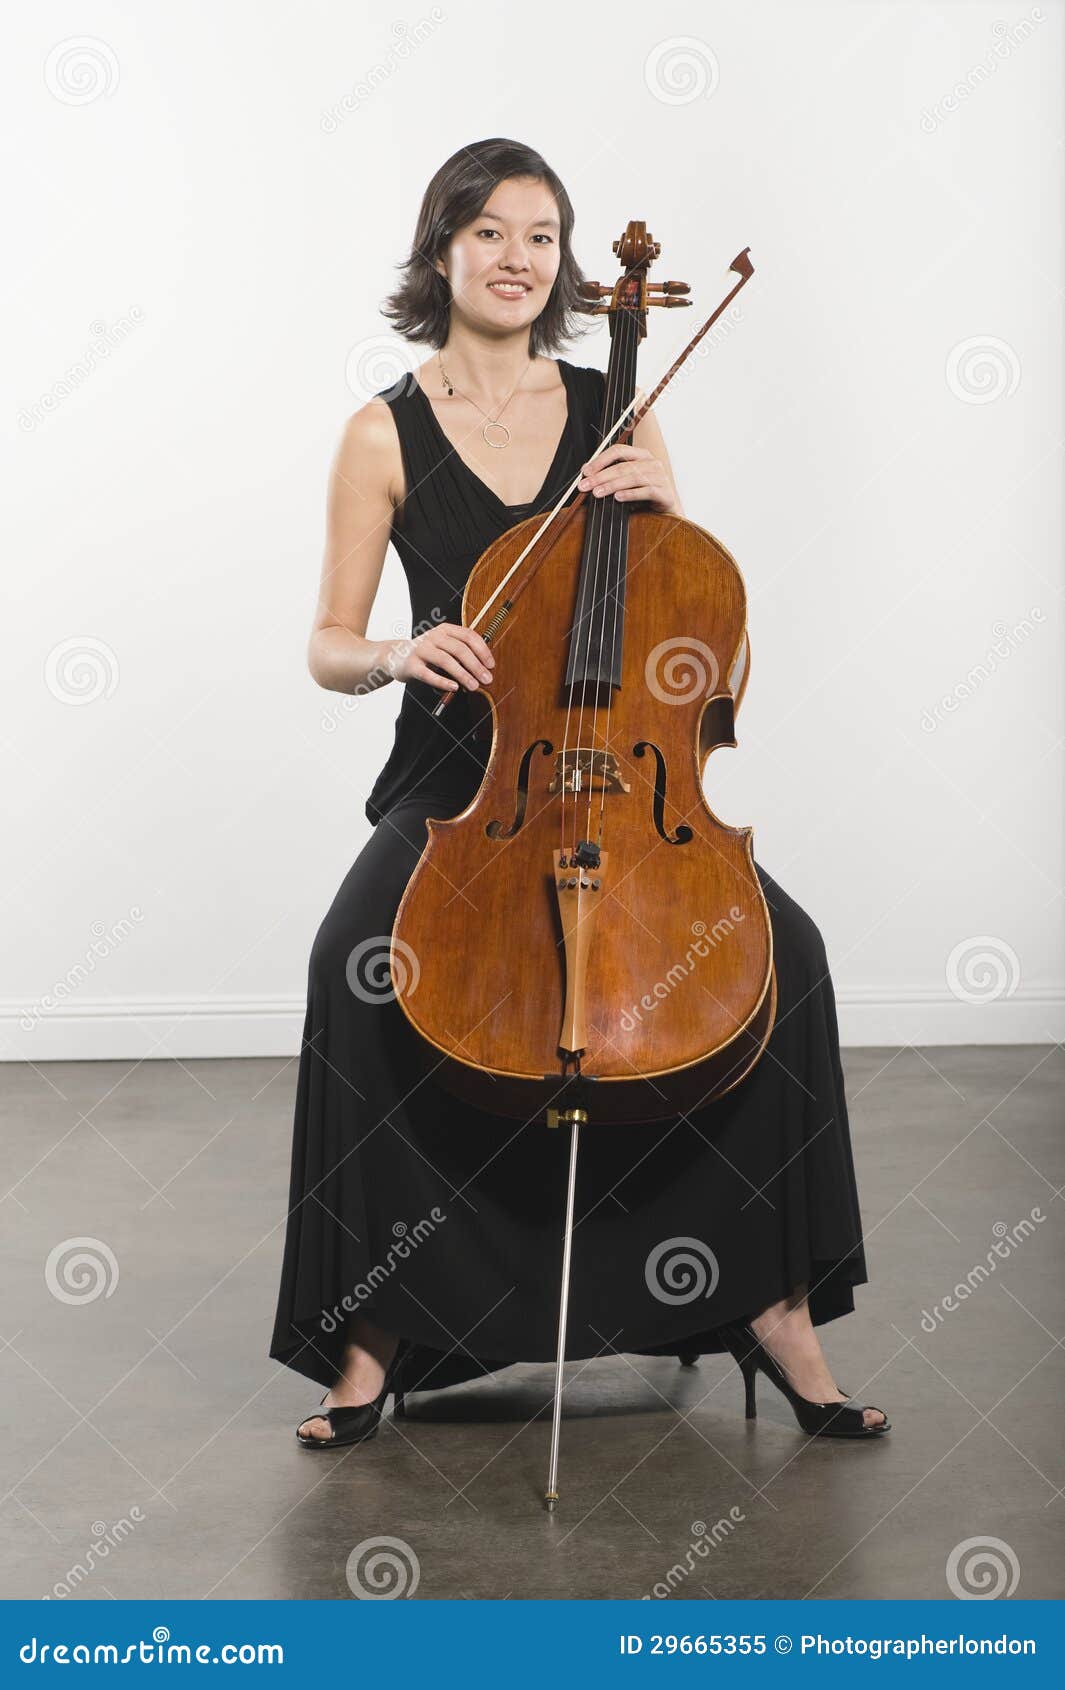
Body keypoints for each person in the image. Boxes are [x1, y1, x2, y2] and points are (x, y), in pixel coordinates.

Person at [270, 137, 889, 1450]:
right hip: (467, 784)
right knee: (353, 968)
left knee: (788, 961)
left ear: (565, 261)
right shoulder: (382, 430)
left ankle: (776, 1309)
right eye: (489, 232)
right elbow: (325, 643)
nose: (518, 258)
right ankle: (370, 1339)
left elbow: (683, 624)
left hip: (629, 782)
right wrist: (397, 652)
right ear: (441, 250)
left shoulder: (618, 400)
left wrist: (667, 502)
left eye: (541, 236)